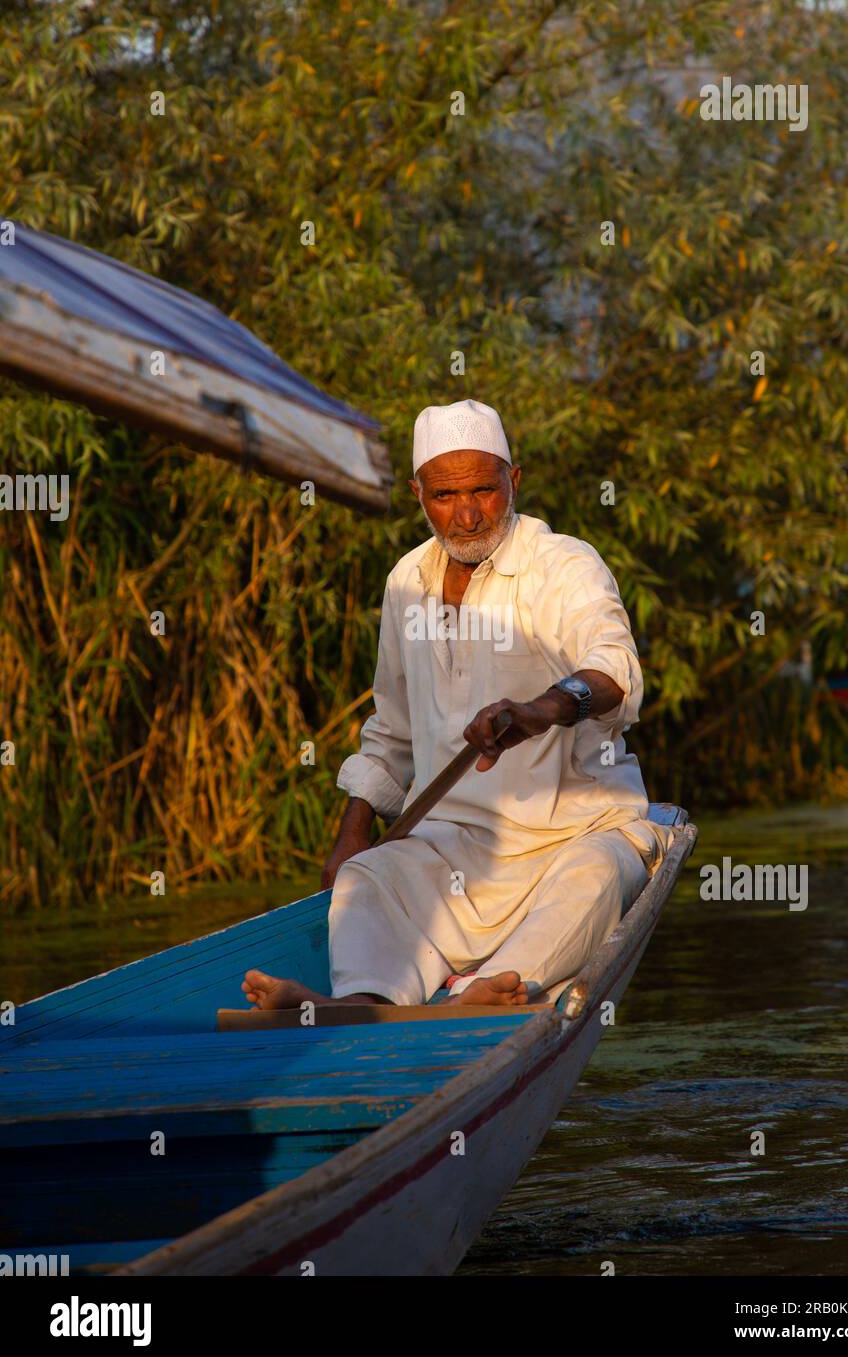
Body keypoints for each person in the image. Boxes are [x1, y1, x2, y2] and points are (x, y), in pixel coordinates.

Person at [243, 399, 672, 1013]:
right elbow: (391, 729)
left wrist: (545, 709)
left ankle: (470, 997)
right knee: (367, 878)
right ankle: (363, 1002)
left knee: (597, 876)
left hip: (576, 833)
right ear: (417, 492)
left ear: (514, 481)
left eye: (484, 490)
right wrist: (353, 837)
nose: (467, 515)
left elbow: (614, 673)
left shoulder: (565, 565)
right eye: (445, 496)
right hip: (455, 846)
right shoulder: (405, 582)